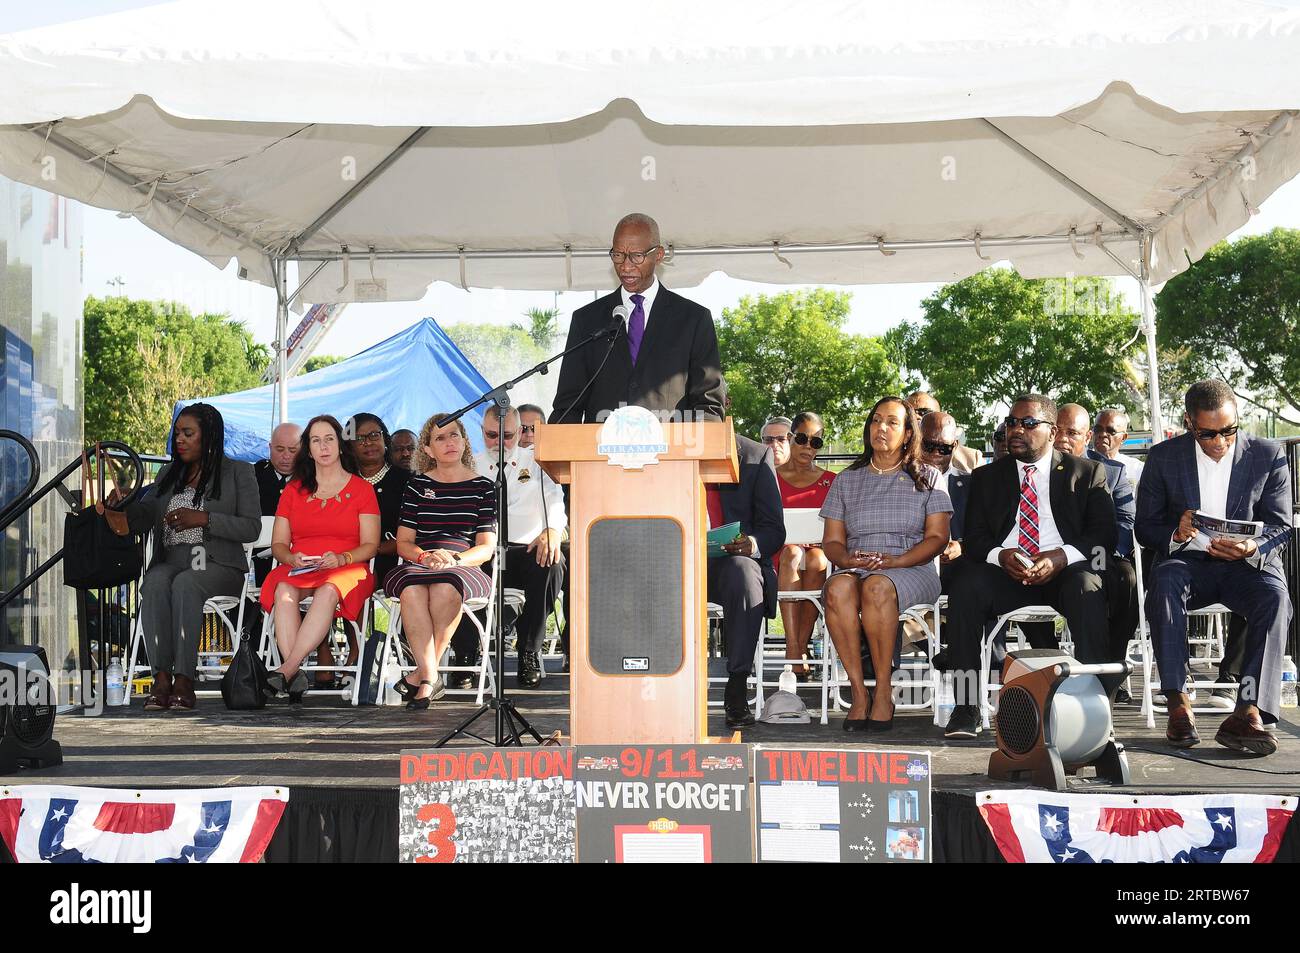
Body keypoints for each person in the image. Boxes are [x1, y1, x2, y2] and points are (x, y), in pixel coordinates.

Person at [942, 394, 1116, 739]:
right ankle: (966, 706)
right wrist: (1000, 556)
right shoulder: (987, 476)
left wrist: (1060, 557)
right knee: (965, 586)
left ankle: (1093, 704)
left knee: (1088, 588)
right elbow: (975, 539)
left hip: (1062, 572)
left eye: (1028, 423)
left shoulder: (1087, 473)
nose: (1016, 430)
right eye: (1011, 423)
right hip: (1005, 572)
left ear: (1052, 432)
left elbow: (1102, 538)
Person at [1136, 380, 1292, 755]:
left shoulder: (1268, 455)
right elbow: (1145, 527)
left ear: (1237, 417)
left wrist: (1251, 545)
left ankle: (1249, 710)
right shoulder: (1163, 457)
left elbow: (1281, 526)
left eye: (1229, 430)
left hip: (1247, 566)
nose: (1220, 441)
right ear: (1190, 423)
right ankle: (1178, 703)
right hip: (1188, 562)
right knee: (1164, 580)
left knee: (1276, 598)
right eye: (1209, 434)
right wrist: (1177, 532)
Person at [821, 397, 952, 731]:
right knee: (836, 587)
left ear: (908, 433)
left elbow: (937, 539)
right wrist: (845, 558)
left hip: (912, 567)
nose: (881, 428)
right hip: (859, 565)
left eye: (892, 422)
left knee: (878, 587)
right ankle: (857, 691)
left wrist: (897, 561)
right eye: (876, 420)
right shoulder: (846, 480)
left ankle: (882, 690)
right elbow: (833, 542)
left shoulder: (928, 477)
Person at [124, 404, 261, 711]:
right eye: (177, 434)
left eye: (188, 433)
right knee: (155, 581)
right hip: (173, 558)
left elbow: (252, 527)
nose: (179, 441)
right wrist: (125, 505)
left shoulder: (239, 472)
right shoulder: (169, 473)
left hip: (216, 563)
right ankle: (161, 678)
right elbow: (147, 515)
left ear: (209, 437)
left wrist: (203, 518)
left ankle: (185, 679)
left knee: (187, 583)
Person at [549, 212, 726, 424]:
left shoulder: (693, 319)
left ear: (658, 255)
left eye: (636, 256)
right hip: (599, 452)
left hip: (673, 452)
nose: (625, 266)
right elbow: (568, 407)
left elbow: (709, 405)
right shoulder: (586, 320)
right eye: (618, 255)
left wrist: (689, 448)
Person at [261, 415, 380, 701]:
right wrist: (291, 557)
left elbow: (371, 545)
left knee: (329, 590)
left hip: (348, 566)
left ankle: (288, 668)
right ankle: (294, 674)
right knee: (284, 589)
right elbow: (278, 544)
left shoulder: (362, 490)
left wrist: (343, 558)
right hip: (302, 566)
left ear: (340, 445)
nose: (323, 446)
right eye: (316, 440)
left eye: (329, 439)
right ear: (309, 449)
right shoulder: (293, 490)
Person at [385, 413, 497, 709]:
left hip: (465, 565)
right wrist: (425, 556)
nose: (449, 442)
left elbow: (486, 549)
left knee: (446, 587)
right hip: (420, 561)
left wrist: (454, 560)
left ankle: (423, 677)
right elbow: (403, 542)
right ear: (427, 450)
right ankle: (430, 677)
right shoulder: (416, 486)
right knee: (411, 591)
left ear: (464, 442)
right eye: (440, 438)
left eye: (454, 435)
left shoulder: (484, 487)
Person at [473, 405, 566, 688]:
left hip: (524, 549)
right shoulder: (471, 465)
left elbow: (555, 499)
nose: (500, 443)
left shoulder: (537, 461)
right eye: (491, 435)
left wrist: (551, 529)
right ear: (481, 432)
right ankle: (466, 655)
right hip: (484, 551)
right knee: (458, 571)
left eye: (508, 435)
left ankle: (529, 649)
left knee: (553, 562)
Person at [1055, 403, 1138, 690]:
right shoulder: (1036, 469)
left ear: (1086, 437)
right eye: (1059, 431)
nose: (1063, 439)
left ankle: (1112, 663)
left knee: (1127, 578)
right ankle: (1051, 656)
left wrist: (1101, 552)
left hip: (1103, 553)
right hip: (1054, 558)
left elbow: (1127, 521)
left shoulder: (1112, 472)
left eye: (1072, 433)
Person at [709, 434, 786, 728]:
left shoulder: (754, 456)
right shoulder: (665, 448)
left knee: (744, 572)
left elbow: (774, 529)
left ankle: (738, 683)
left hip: (728, 563)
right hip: (674, 558)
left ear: (724, 404)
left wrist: (752, 543)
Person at [773, 411, 835, 676]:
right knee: (792, 553)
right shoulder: (769, 477)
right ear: (790, 438)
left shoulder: (831, 481)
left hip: (817, 554)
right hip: (780, 554)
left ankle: (801, 642)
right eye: (802, 439)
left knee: (817, 558)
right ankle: (793, 646)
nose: (808, 447)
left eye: (816, 442)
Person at [252, 422, 301, 585]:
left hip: (298, 560)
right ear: (270, 447)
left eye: (293, 450)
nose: (286, 456)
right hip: (255, 559)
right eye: (279, 449)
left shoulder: (314, 480)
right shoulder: (253, 477)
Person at [906, 391, 982, 471]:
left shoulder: (971, 460)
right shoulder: (894, 457)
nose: (916, 417)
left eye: (924, 413)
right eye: (909, 414)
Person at [1092, 408, 1145, 491]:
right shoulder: (1079, 466)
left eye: (1110, 431)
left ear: (1123, 437)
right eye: (1098, 429)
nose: (1102, 434)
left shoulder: (1137, 469)